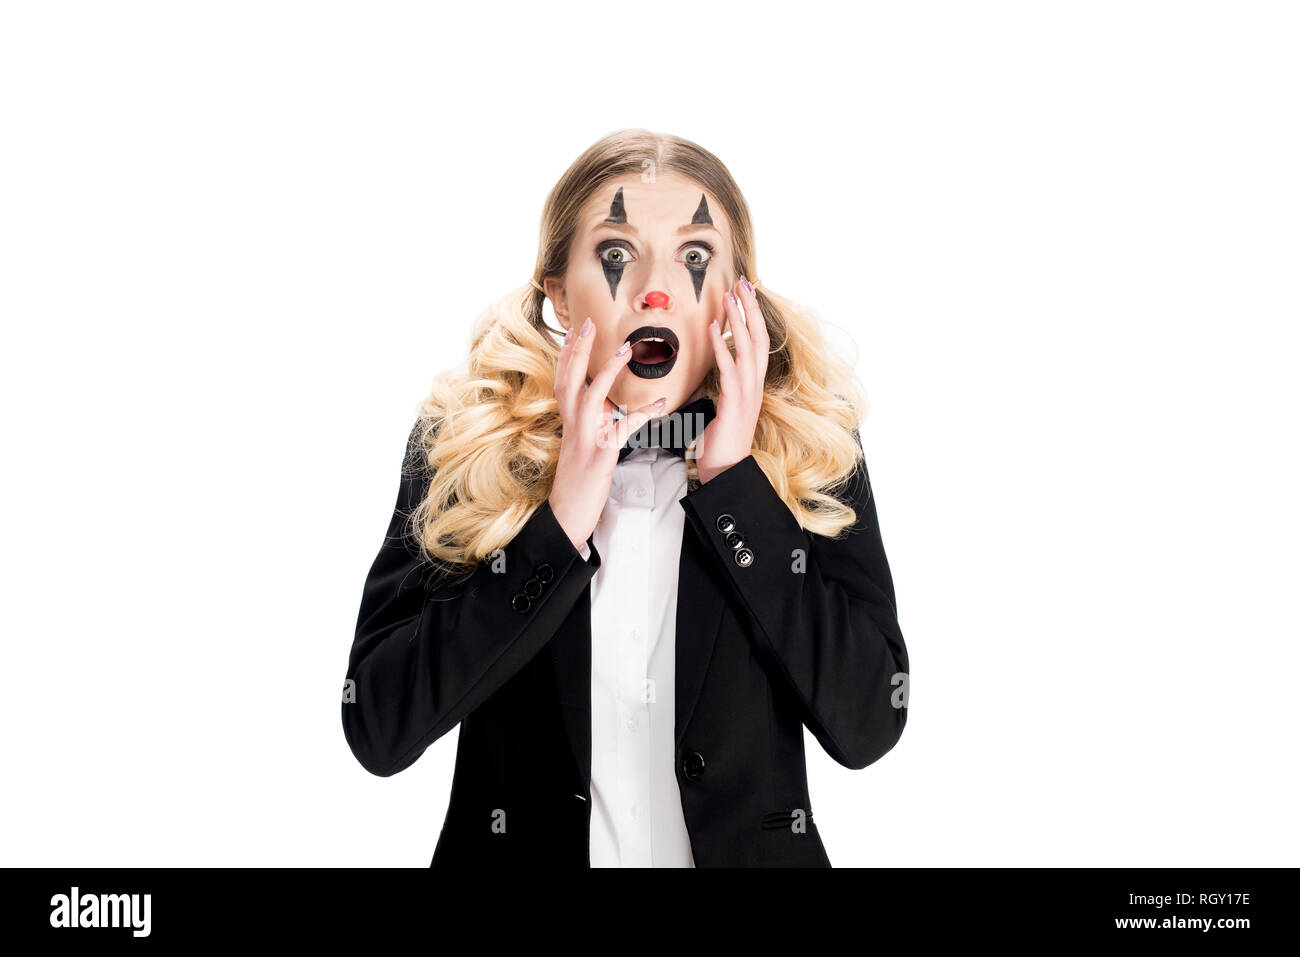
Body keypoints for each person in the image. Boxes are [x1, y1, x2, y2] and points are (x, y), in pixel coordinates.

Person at [341, 128, 910, 867]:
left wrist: (736, 486)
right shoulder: (467, 447)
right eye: (615, 253)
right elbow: (378, 728)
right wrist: (557, 526)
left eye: (695, 256)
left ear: (741, 297)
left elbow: (870, 722)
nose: (655, 288)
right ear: (556, 292)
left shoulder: (809, 450)